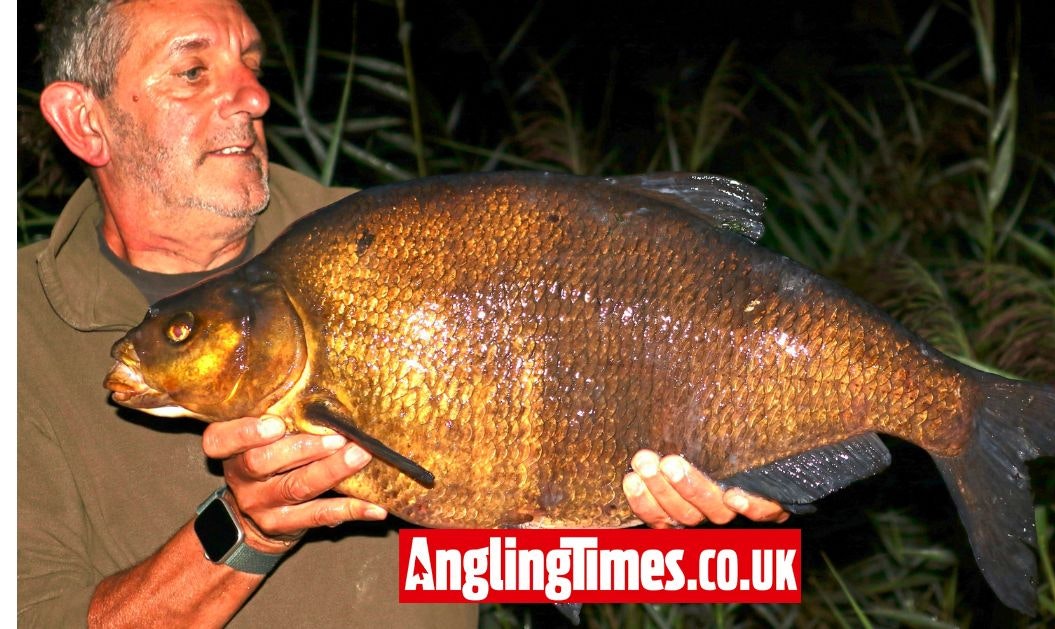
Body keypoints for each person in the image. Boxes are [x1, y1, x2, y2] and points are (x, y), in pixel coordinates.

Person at [17, 0, 786, 625]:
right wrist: (245, 528)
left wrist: (653, 533)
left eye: (252, 65)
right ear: (84, 120)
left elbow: (508, 565)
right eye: (193, 71)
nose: (254, 97)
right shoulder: (18, 330)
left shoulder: (399, 250)